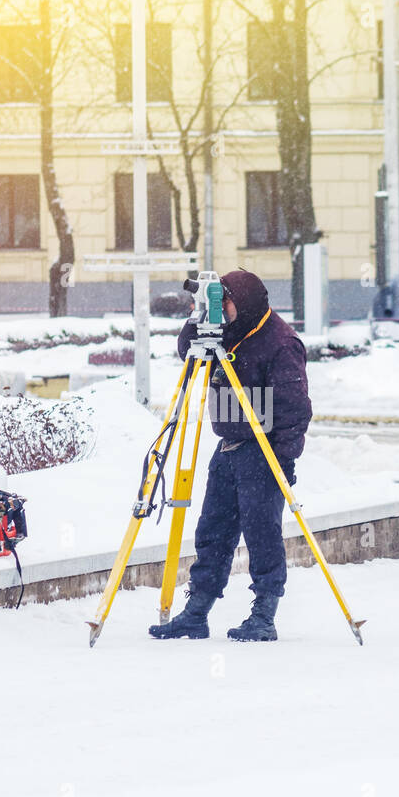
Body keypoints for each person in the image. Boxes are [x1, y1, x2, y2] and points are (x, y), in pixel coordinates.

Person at [148, 269, 312, 642]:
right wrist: (199, 316)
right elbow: (187, 354)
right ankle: (196, 612)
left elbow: (295, 408)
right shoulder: (224, 329)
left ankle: (264, 614)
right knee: (212, 530)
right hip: (229, 444)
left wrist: (283, 461)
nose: (222, 309)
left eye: (226, 301)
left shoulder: (280, 342)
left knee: (261, 533)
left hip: (264, 449)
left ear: (246, 301)